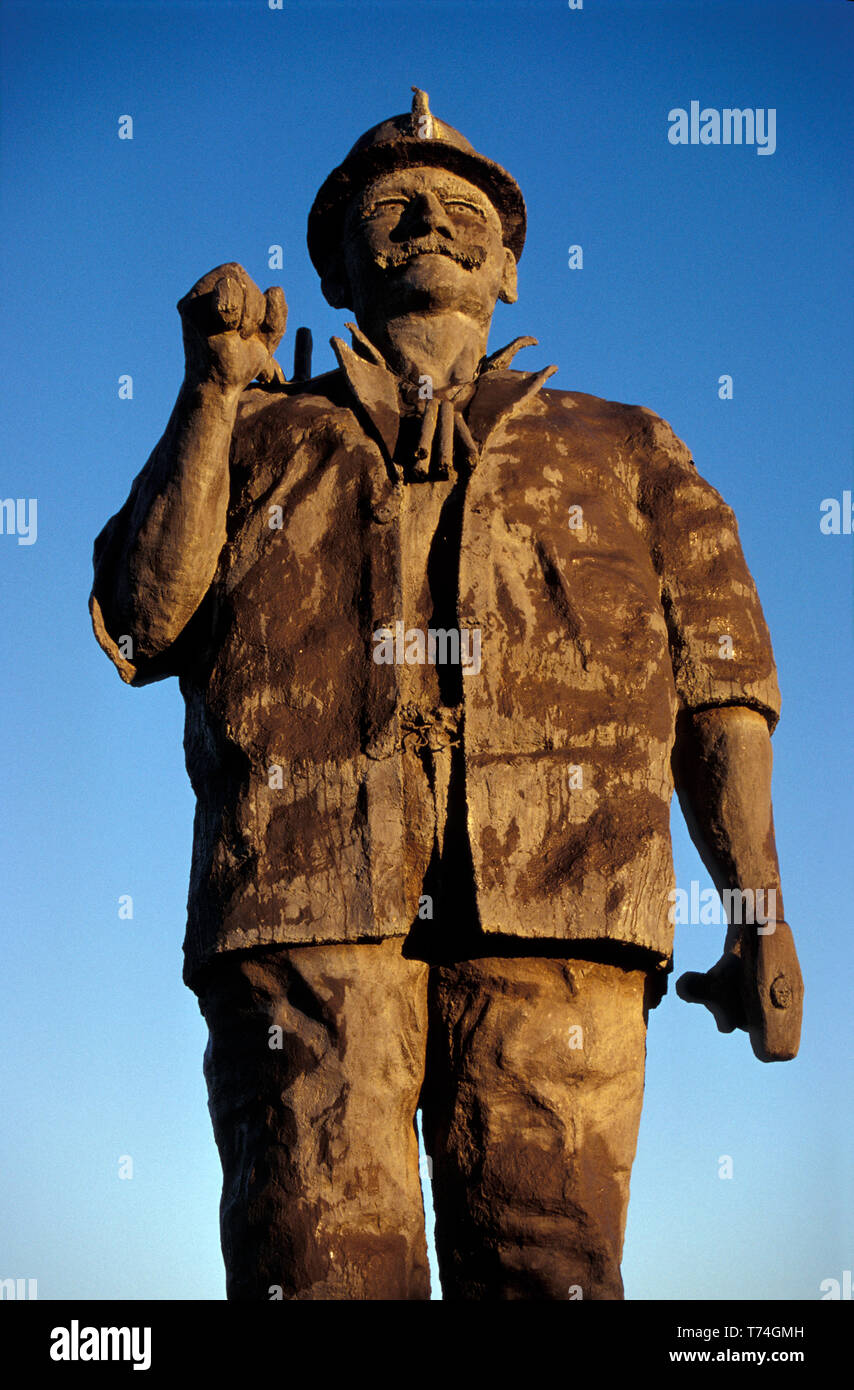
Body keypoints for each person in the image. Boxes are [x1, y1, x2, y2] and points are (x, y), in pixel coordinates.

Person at [89, 88, 803, 1300]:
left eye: (462, 210)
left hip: (564, 909)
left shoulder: (627, 448)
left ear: (511, 267)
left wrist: (757, 910)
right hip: (300, 915)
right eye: (392, 206)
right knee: (316, 1269)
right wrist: (210, 396)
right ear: (334, 268)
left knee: (550, 1273)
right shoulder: (254, 438)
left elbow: (721, 696)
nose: (428, 221)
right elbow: (142, 619)